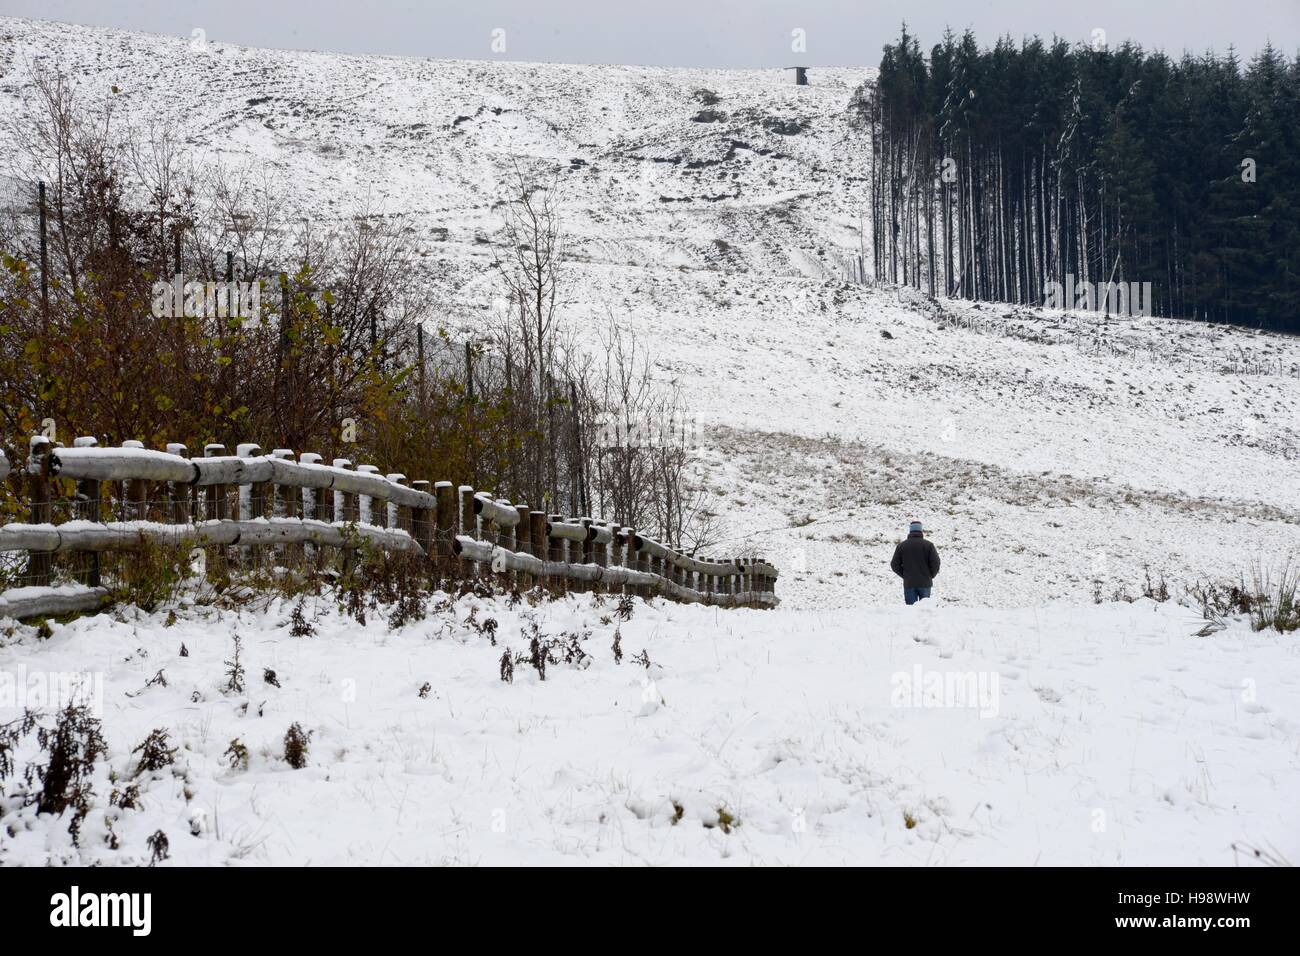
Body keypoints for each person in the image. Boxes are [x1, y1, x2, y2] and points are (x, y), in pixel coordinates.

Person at [890, 520, 940, 605]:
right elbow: (936, 562)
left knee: (910, 611)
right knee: (925, 610)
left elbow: (894, 564)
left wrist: (905, 575)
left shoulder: (902, 546)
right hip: (925, 583)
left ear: (910, 531)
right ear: (921, 531)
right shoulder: (929, 545)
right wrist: (930, 575)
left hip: (909, 583)